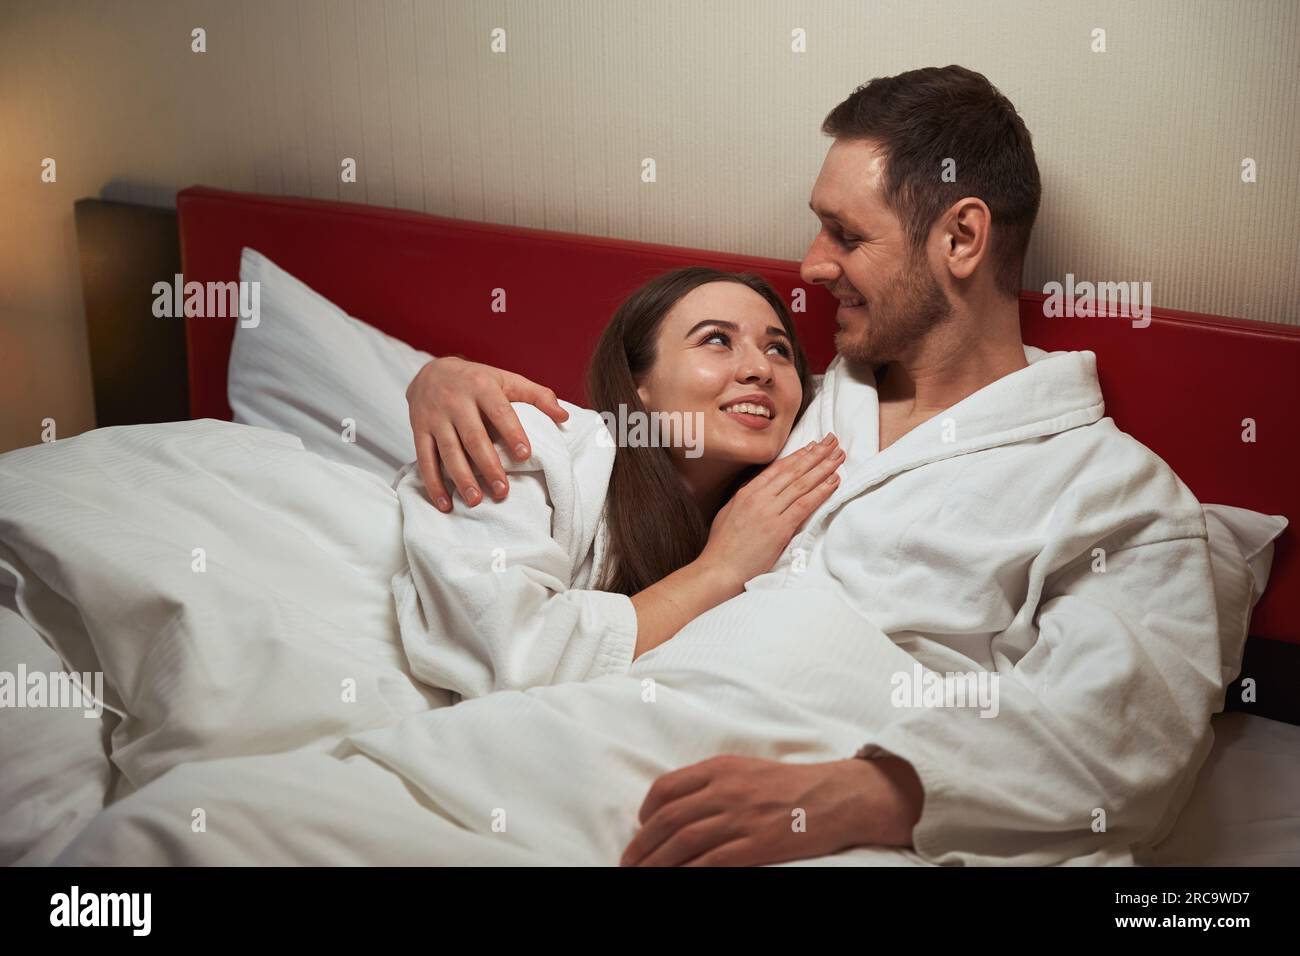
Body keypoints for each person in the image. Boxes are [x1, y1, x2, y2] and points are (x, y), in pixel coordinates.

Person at [402, 65, 1225, 866]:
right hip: (605, 739)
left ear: (962, 238)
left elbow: (1129, 736)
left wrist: (856, 798)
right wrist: (443, 380)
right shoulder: (785, 408)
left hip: (818, 799)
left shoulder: (1117, 494)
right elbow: (607, 451)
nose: (812, 265)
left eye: (847, 234)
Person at [390, 265, 848, 702]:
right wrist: (718, 570)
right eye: (716, 340)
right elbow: (511, 657)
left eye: (778, 350)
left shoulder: (792, 499)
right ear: (637, 384)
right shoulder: (525, 444)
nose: (760, 369)